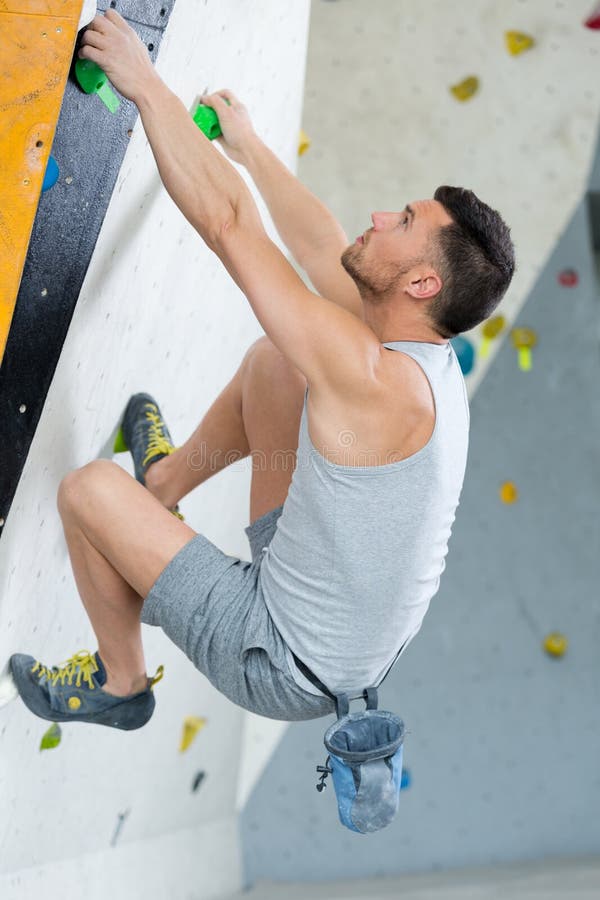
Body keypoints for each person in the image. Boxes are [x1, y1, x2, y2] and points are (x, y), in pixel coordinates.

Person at [8, 10, 515, 728]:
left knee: (88, 490)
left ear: (423, 284)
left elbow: (229, 228)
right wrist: (246, 145)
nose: (380, 215)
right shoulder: (413, 345)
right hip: (319, 602)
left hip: (280, 659)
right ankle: (163, 485)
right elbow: (319, 245)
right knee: (279, 362)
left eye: (402, 222)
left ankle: (121, 681)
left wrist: (142, 83)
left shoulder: (377, 385)